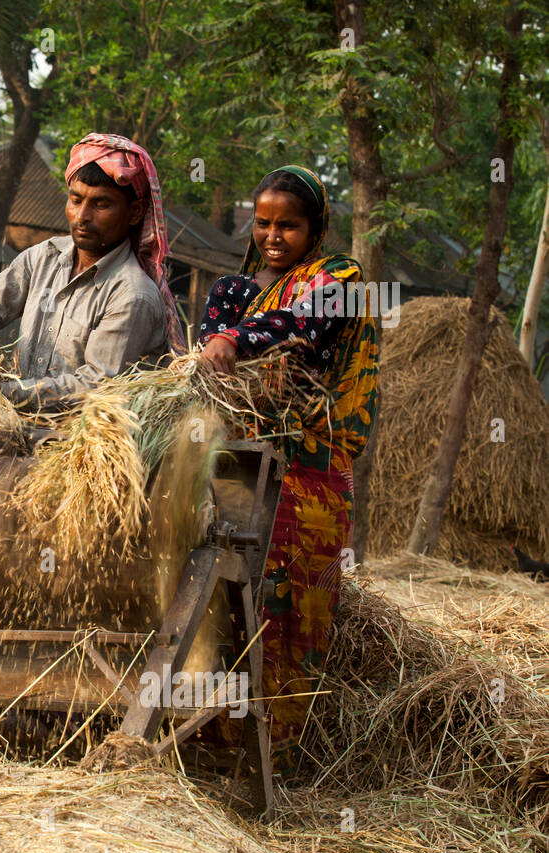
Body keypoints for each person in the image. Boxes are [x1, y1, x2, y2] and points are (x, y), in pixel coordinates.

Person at [197, 164, 379, 773]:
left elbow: (300, 323)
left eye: (289, 225)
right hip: (237, 465)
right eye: (263, 222)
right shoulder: (234, 290)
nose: (272, 236)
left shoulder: (340, 278)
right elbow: (209, 359)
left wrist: (235, 343)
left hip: (309, 473)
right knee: (223, 595)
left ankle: (273, 751)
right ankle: (211, 737)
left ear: (316, 226)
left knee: (287, 607)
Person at [0, 133, 185, 408]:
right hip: (9, 423)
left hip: (72, 441)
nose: (82, 216)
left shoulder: (133, 295)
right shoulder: (44, 257)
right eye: (76, 199)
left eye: (101, 204)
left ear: (134, 212)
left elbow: (95, 387)